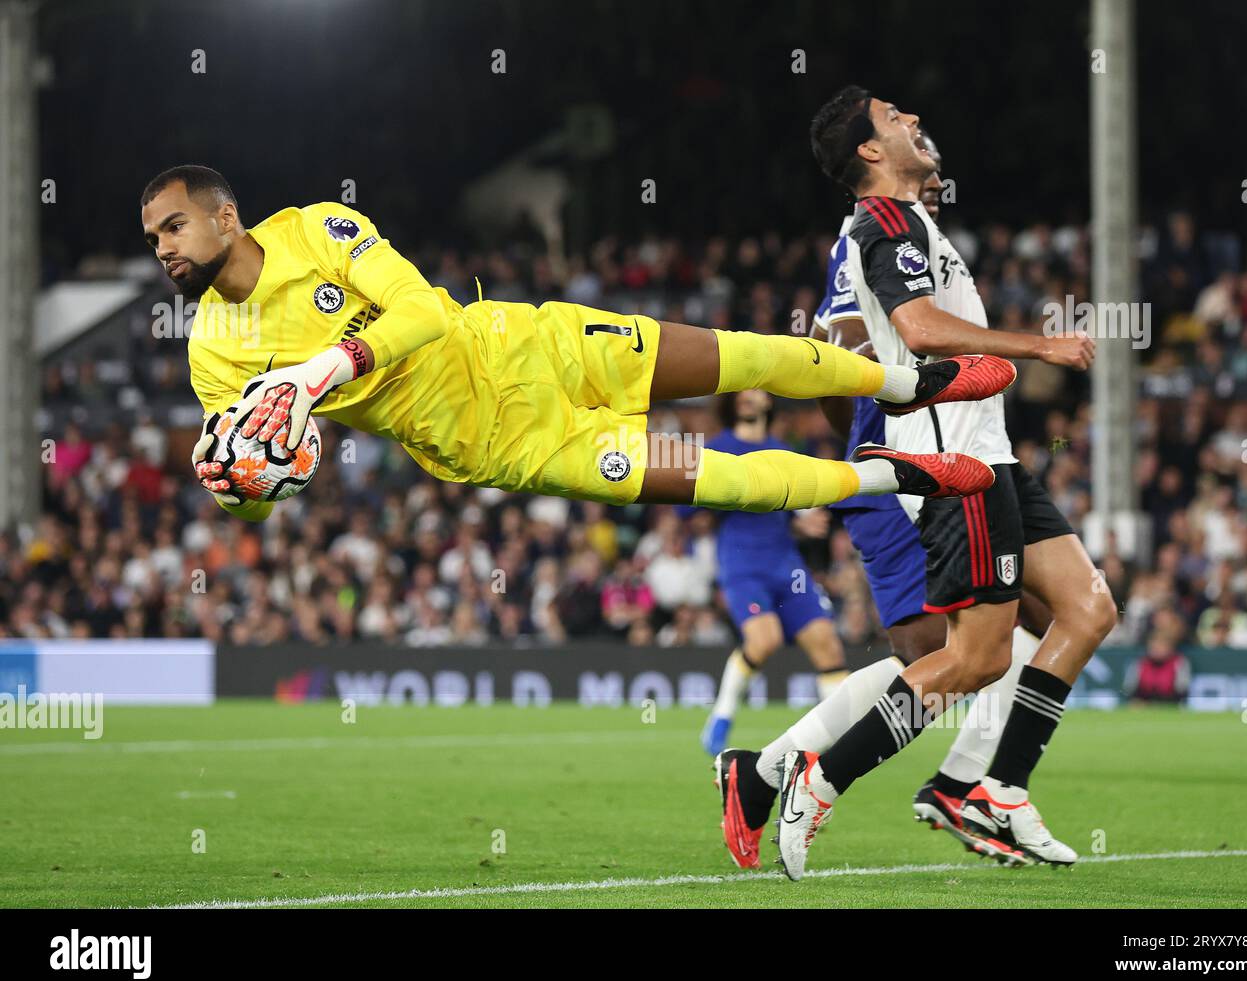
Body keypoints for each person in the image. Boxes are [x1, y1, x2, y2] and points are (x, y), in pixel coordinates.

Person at [140, 167, 1014, 525]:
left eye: (174, 225)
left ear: (226, 216)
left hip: (536, 343)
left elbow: (421, 313)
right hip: (502, 442)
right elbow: (260, 485)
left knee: (742, 353)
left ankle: (909, 382)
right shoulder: (216, 353)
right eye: (152, 239)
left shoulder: (320, 229)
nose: (164, 248)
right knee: (720, 478)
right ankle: (897, 473)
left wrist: (325, 365)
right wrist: (236, 490)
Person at [768, 87, 1114, 880]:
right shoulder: (884, 221)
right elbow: (920, 329)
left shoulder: (913, 221)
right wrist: (1040, 347)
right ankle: (818, 776)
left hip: (991, 452)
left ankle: (999, 787)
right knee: (977, 659)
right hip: (954, 463)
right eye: (895, 118)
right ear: (867, 150)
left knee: (1089, 607)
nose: (915, 119)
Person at [698, 390, 849, 759]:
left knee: (827, 644)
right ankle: (721, 715)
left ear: (768, 401)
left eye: (758, 390)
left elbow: (790, 509)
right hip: (743, 565)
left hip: (787, 564)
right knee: (764, 640)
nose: (751, 397)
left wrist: (803, 521)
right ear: (732, 403)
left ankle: (842, 737)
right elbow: (694, 510)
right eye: (744, 391)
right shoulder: (716, 449)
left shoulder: (784, 451)